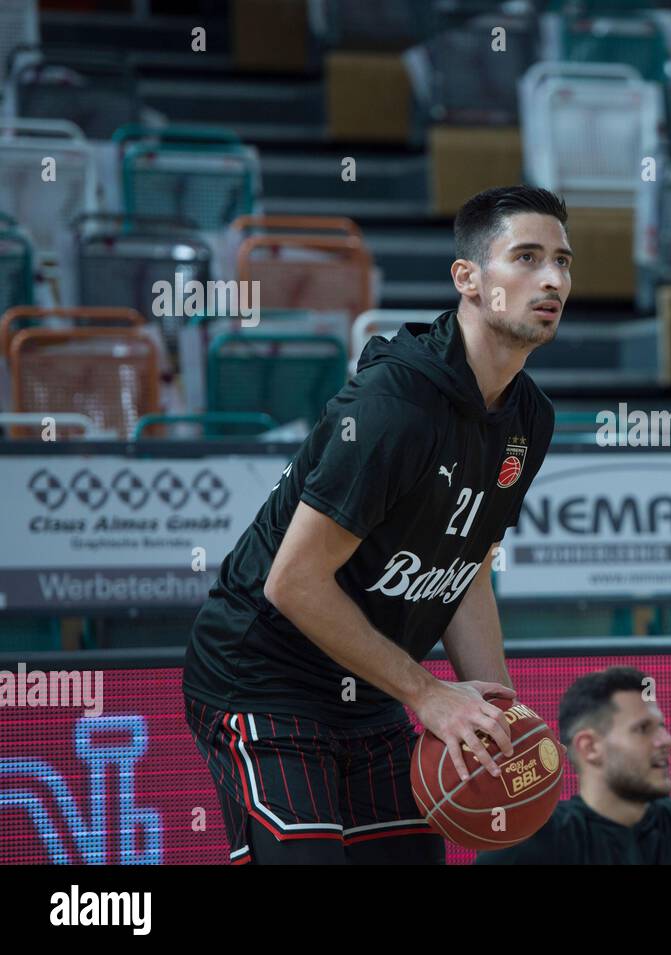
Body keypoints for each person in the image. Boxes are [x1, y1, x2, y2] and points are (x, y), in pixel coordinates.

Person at [181, 185, 568, 863]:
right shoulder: (394, 406)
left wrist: (498, 721)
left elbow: (467, 572)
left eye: (562, 261)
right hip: (263, 676)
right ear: (468, 278)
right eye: (528, 257)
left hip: (371, 688)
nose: (552, 279)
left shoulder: (529, 418)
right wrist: (429, 694)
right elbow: (294, 581)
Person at [474, 666, 671, 865]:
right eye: (643, 729)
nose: (667, 741)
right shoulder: (531, 844)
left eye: (661, 726)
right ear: (590, 747)